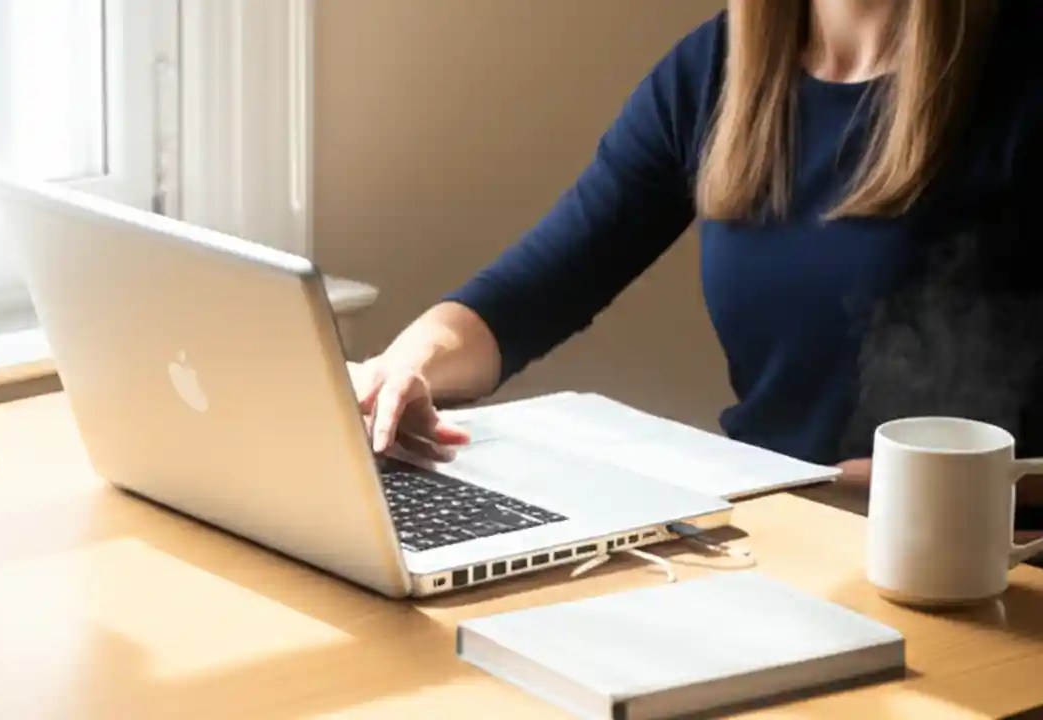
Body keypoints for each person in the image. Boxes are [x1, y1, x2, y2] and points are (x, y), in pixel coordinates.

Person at [349, 0, 1043, 513]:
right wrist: (406, 367)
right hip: (773, 532)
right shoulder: (715, 71)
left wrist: (971, 487)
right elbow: (531, 294)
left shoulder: (1020, 72)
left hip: (986, 568)